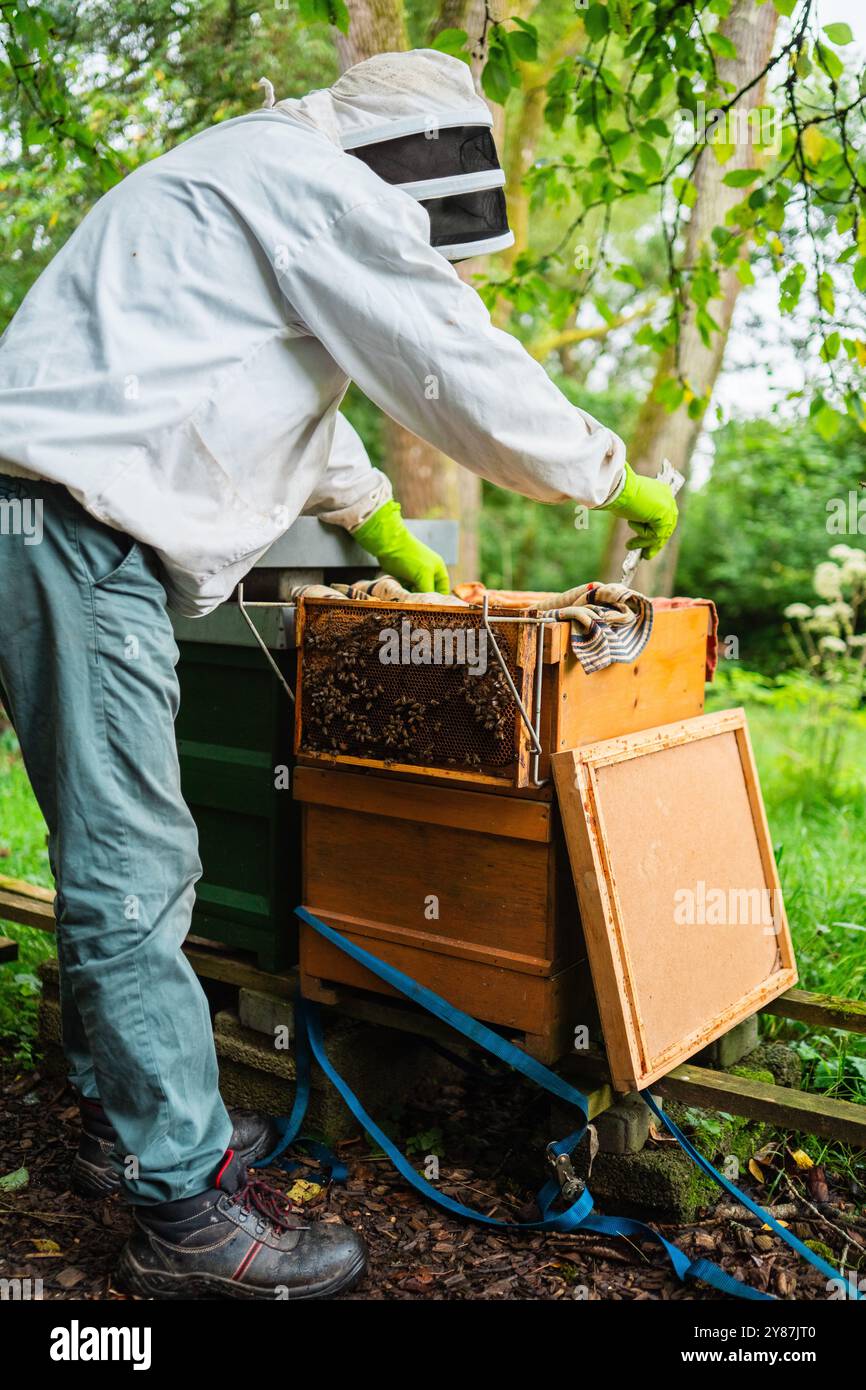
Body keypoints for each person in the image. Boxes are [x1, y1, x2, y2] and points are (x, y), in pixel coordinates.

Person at [0, 48, 677, 1301]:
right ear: (416, 160)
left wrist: (390, 537)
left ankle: (120, 1120)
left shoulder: (242, 189)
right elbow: (448, 364)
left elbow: (287, 404)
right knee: (135, 867)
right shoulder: (308, 181)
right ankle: (184, 1211)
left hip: (42, 524)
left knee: (117, 848)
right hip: (71, 535)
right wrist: (605, 471)